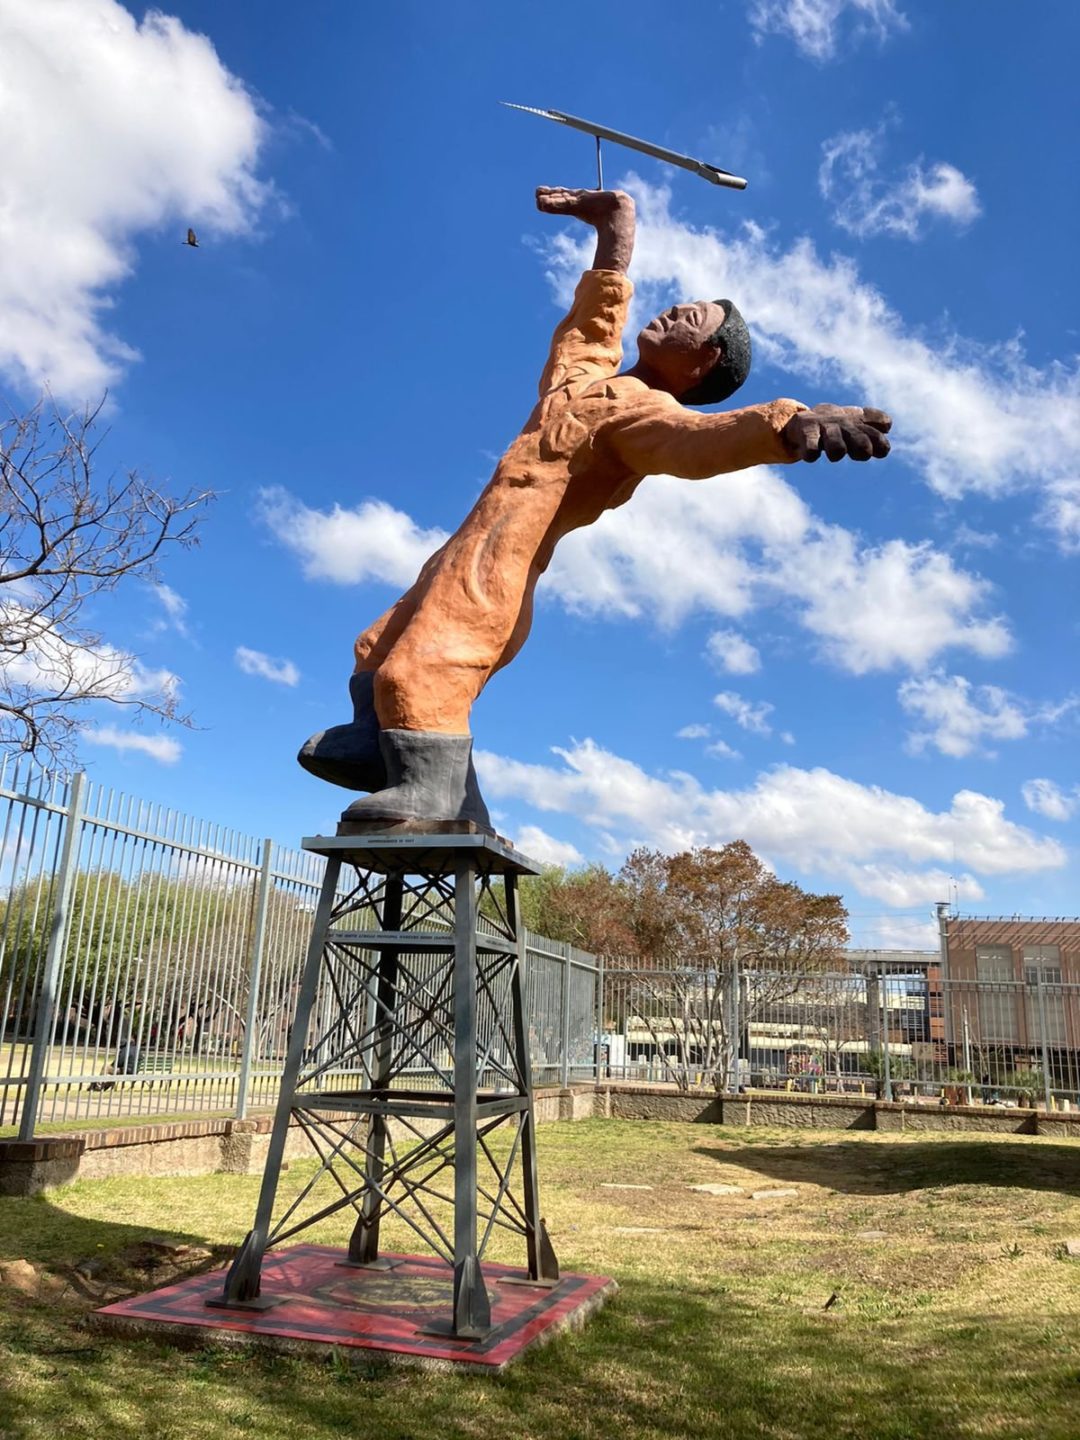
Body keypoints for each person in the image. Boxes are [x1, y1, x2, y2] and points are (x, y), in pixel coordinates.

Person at [300, 187, 892, 827]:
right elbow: (588, 331)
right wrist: (616, 232)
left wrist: (789, 421)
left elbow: (699, 443)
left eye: (691, 319)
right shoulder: (587, 383)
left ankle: (431, 793)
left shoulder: (648, 413)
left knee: (424, 665)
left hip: (501, 565)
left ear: (704, 363)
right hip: (461, 549)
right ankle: (377, 747)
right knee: (377, 649)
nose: (673, 312)